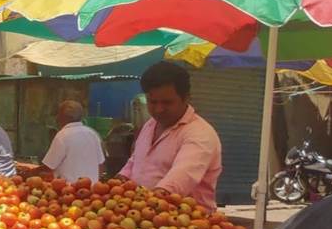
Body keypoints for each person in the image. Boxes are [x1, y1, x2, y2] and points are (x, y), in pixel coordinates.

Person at [119, 62, 222, 211]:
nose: (158, 109)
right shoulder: (150, 125)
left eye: (167, 102)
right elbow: (136, 162)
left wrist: (156, 197)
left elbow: (183, 176)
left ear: (186, 98)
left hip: (190, 223)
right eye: (153, 102)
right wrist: (118, 181)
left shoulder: (200, 134)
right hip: (143, 216)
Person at [42, 100, 106, 183]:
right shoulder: (92, 134)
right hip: (92, 191)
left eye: (58, 115)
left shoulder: (62, 135)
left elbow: (50, 166)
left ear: (62, 117)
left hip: (68, 190)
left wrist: (30, 173)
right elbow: (101, 165)